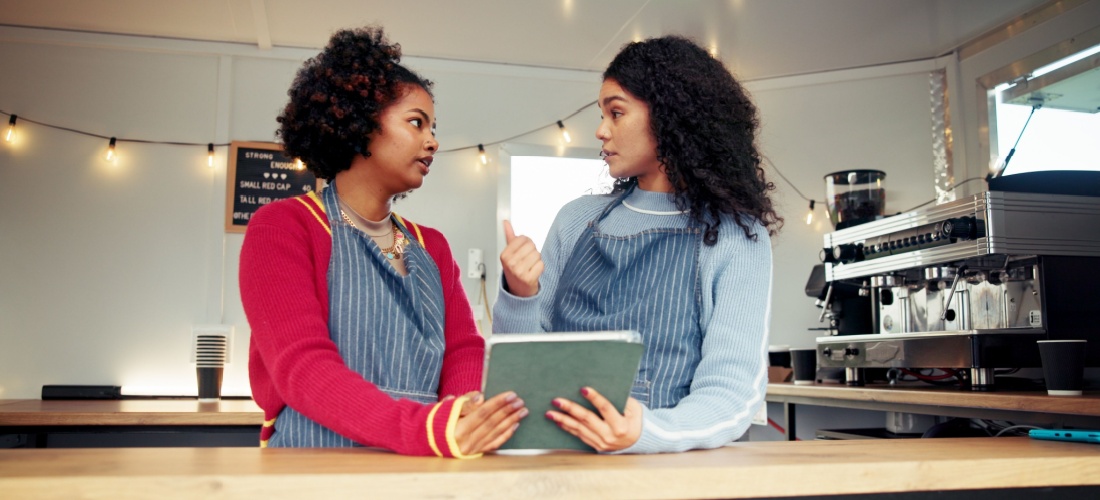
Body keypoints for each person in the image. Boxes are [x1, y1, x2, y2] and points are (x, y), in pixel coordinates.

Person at [240, 26, 526, 457]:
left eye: (433, 127)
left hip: (425, 461)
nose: (433, 142)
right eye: (416, 123)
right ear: (358, 121)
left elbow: (462, 349)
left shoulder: (433, 246)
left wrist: (460, 415)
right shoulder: (283, 226)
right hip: (314, 462)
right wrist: (429, 430)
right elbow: (302, 369)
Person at [493, 35, 782, 453]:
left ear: (670, 116)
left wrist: (643, 433)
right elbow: (524, 373)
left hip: (667, 473)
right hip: (560, 463)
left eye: (616, 112)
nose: (600, 130)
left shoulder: (733, 235)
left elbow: (732, 396)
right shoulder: (576, 219)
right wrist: (520, 295)